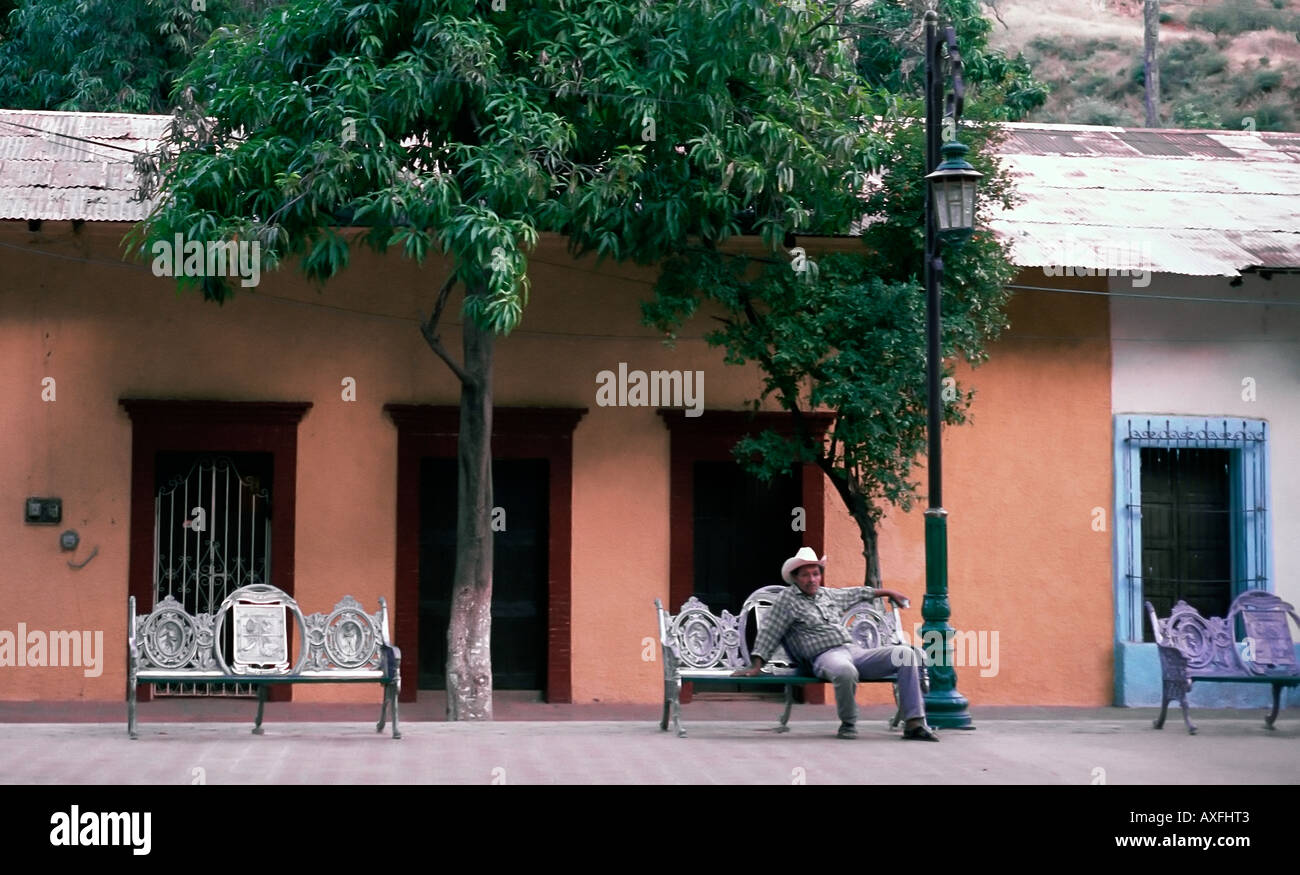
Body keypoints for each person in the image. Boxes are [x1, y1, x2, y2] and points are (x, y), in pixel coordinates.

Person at [732, 546, 940, 741]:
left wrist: (888, 592)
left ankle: (914, 723)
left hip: (853, 650)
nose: (812, 579)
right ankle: (849, 723)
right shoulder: (787, 600)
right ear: (795, 578)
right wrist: (756, 664)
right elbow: (770, 630)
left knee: (906, 655)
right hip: (823, 657)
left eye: (815, 573)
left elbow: (855, 593)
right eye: (805, 575)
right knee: (844, 671)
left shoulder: (826, 594)